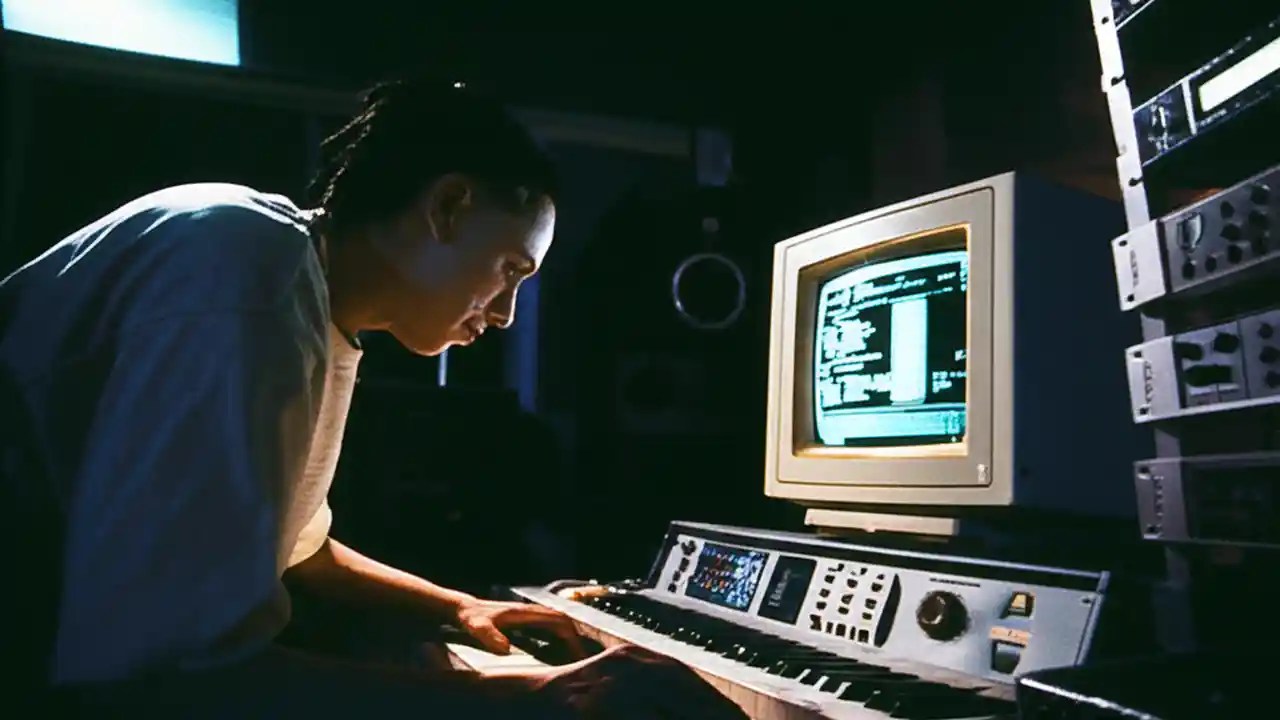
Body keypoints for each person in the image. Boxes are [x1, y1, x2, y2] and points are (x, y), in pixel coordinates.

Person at [0, 78, 747, 719]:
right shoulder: (243, 271)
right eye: (510, 268)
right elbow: (164, 677)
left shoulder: (310, 300)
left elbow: (302, 550)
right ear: (449, 206)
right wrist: (536, 699)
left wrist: (453, 606)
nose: (506, 312)